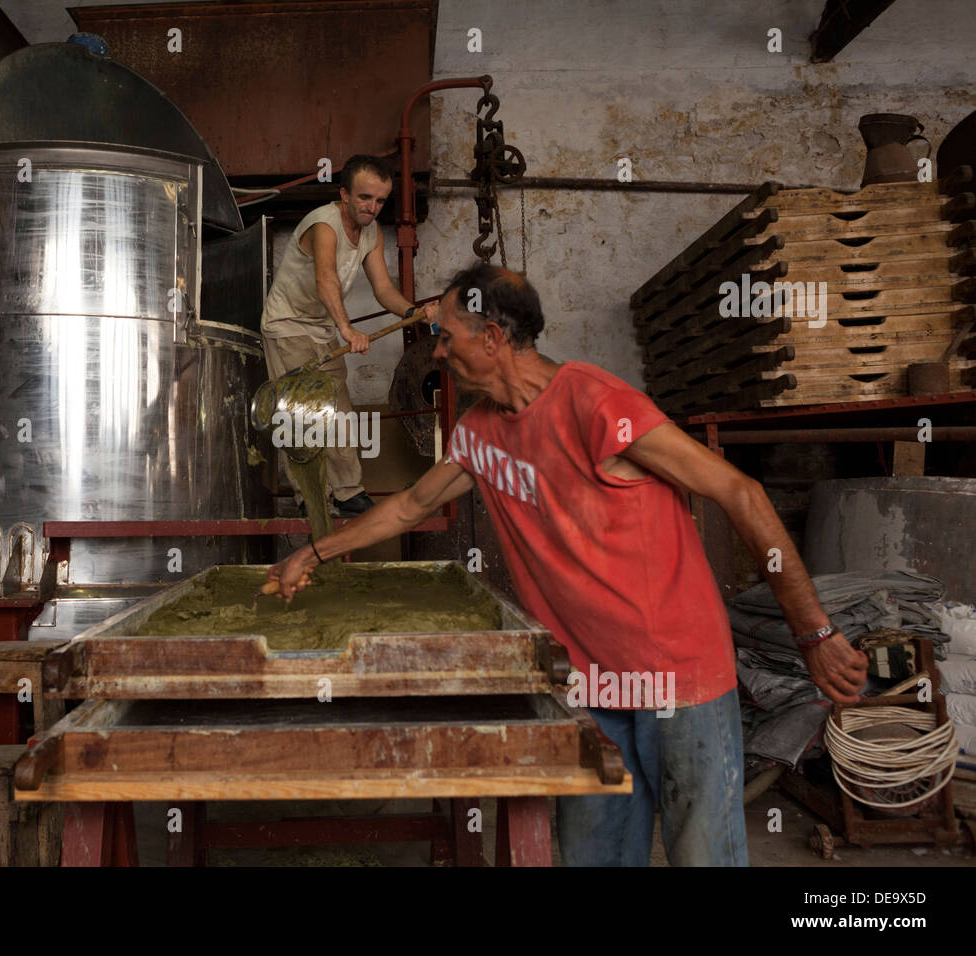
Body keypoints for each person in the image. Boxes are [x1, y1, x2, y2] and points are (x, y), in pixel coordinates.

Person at [265, 263, 869, 866]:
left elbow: (741, 493)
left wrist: (813, 632)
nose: (440, 352)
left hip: (677, 679)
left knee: (703, 855)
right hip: (589, 685)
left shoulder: (598, 404)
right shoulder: (477, 432)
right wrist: (312, 552)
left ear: (493, 339)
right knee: (593, 854)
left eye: (448, 336)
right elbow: (410, 506)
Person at [260, 154, 431, 516]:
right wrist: (347, 329)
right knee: (302, 411)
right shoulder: (324, 224)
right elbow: (326, 278)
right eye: (365, 198)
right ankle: (313, 497)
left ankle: (349, 492)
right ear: (344, 195)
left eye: (381, 200)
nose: (372, 207)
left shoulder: (369, 235)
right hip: (287, 325)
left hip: (320, 328)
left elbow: (384, 289)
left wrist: (413, 313)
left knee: (338, 409)